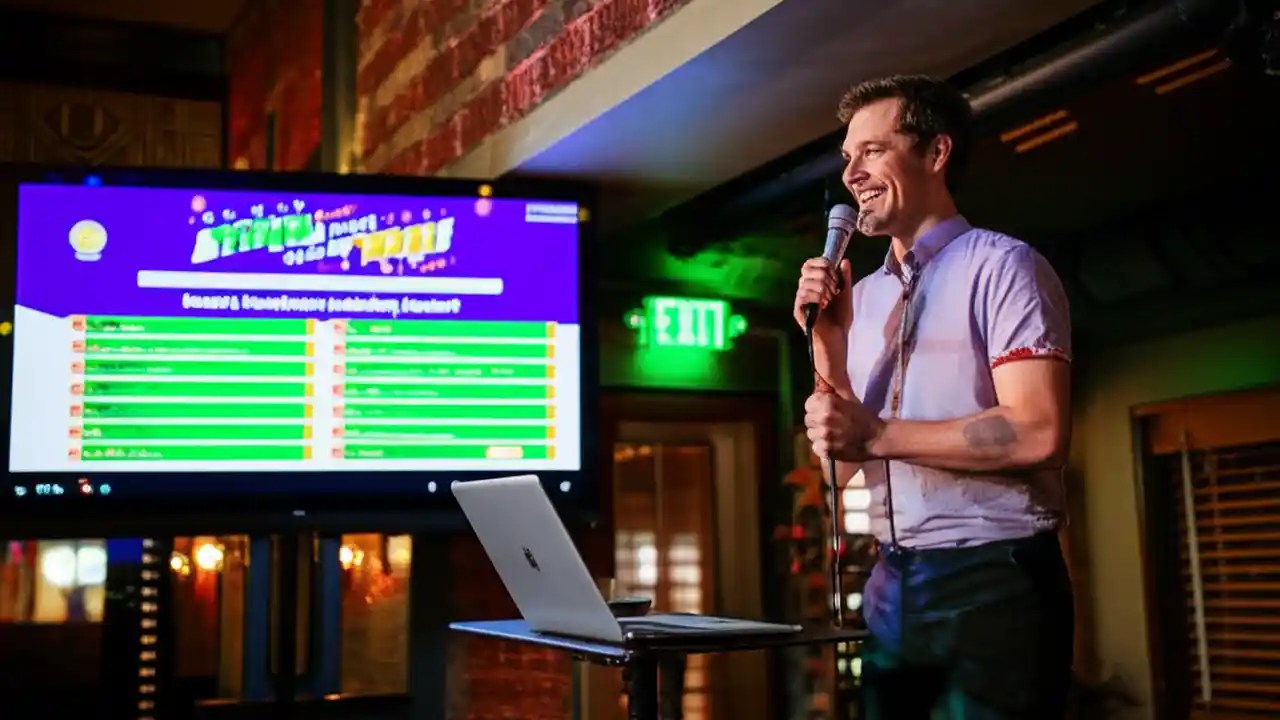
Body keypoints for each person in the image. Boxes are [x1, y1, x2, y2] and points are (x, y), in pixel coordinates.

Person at [795, 75, 1075, 719]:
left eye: (872, 150)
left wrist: (877, 436)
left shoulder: (1001, 266)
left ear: (936, 153)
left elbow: (1040, 432)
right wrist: (829, 352)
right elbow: (839, 468)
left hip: (993, 576)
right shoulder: (859, 300)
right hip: (892, 578)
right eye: (847, 158)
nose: (852, 175)